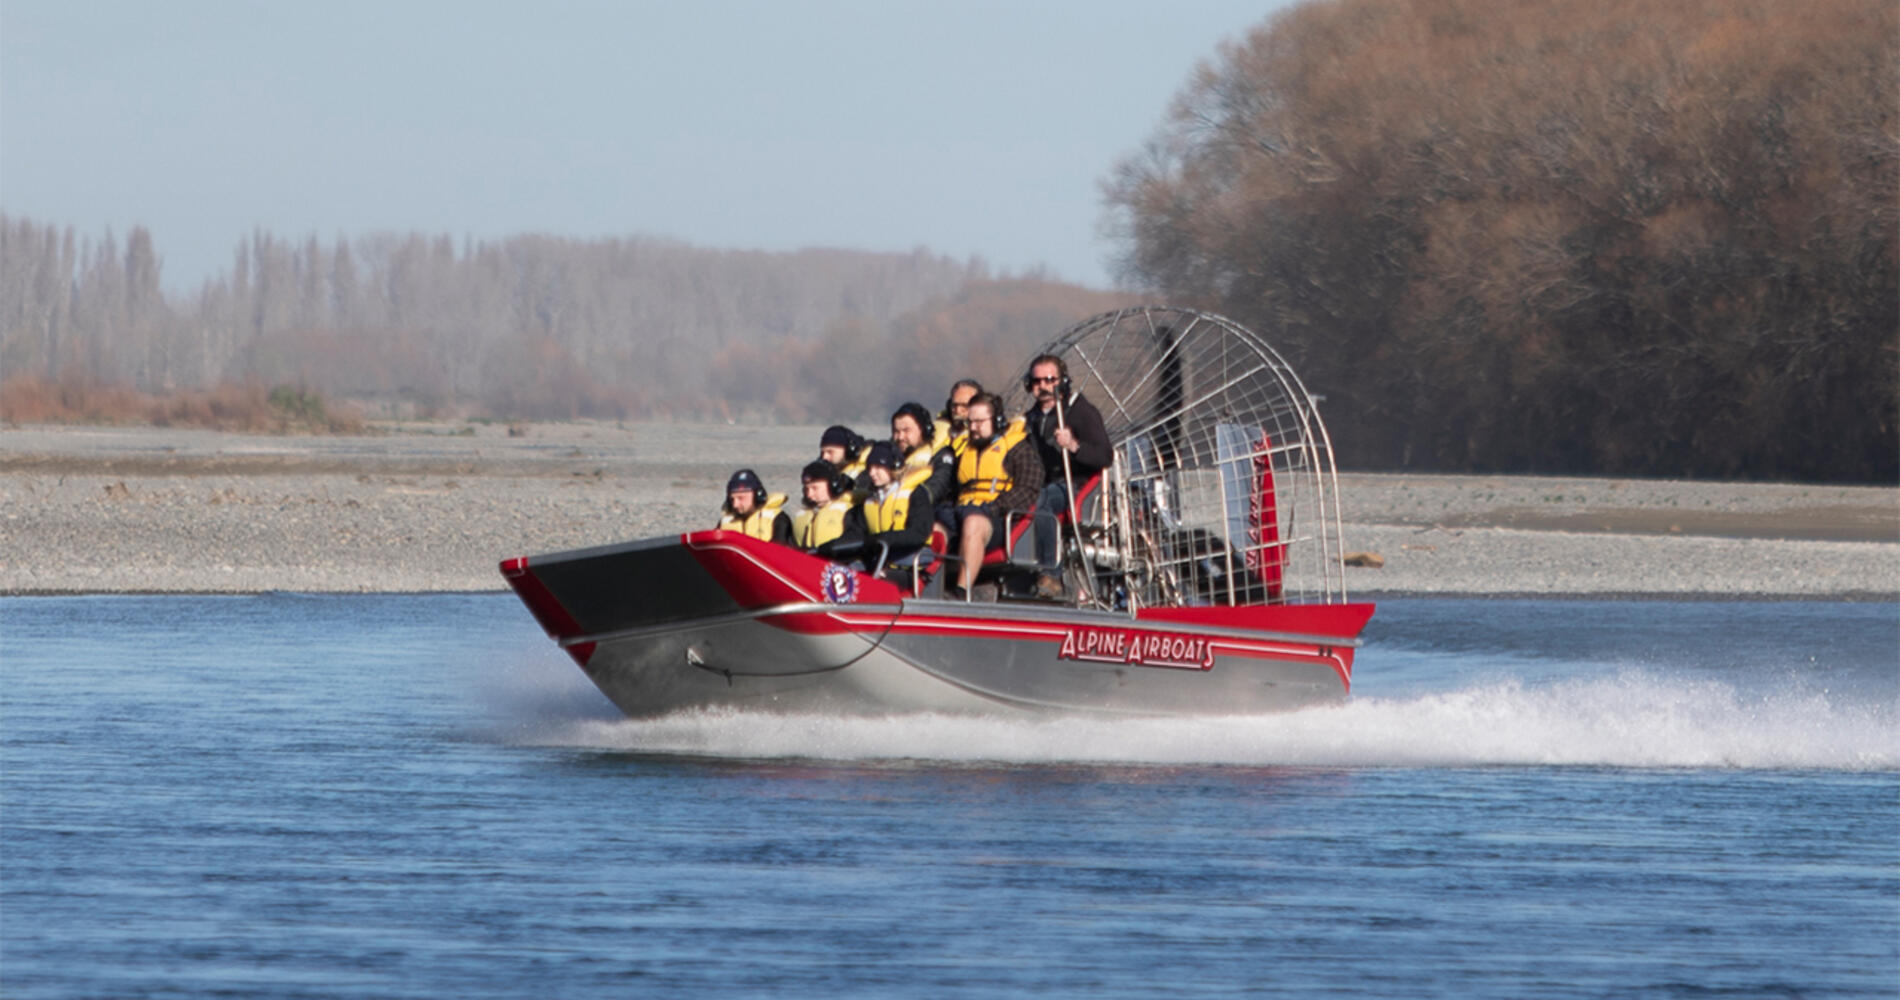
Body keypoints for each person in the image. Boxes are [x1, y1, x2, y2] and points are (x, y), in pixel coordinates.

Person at [1021, 353, 1113, 598]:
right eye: (1037, 381)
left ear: (1062, 381)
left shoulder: (1080, 411)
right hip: (1041, 484)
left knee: (1041, 500)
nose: (1043, 386)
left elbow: (1105, 455)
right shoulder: (1031, 419)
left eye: (1049, 380)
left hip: (1074, 485)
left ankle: (1050, 573)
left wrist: (1073, 446)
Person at [943, 393, 1042, 598]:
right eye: (970, 422)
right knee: (934, 525)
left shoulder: (1017, 449)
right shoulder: (962, 450)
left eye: (979, 422)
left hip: (997, 518)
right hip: (961, 510)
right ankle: (921, 586)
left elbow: (1029, 489)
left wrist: (994, 508)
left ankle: (961, 591)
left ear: (997, 421)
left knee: (973, 522)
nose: (973, 428)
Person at [855, 441, 938, 577]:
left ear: (894, 467)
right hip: (880, 560)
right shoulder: (870, 500)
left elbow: (919, 533)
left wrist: (885, 539)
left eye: (878, 467)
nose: (872, 473)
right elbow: (858, 532)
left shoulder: (915, 494)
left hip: (910, 565)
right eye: (869, 467)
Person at [889, 401, 956, 511]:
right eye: (896, 431)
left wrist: (913, 502)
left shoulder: (941, 455)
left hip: (930, 511)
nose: (900, 437)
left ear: (924, 430)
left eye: (906, 430)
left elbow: (939, 484)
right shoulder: (889, 456)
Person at [790, 460, 855, 555]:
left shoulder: (849, 512)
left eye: (815, 488)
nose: (809, 494)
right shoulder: (803, 515)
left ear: (833, 485)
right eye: (806, 489)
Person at [716, 468, 791, 544]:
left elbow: (781, 549)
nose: (735, 505)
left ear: (758, 496)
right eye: (732, 499)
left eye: (741, 498)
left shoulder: (778, 519)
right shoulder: (725, 522)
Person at [818, 424, 871, 497]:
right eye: (822, 452)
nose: (824, 457)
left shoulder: (871, 471)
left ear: (849, 450)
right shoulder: (831, 470)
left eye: (830, 452)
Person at [937, 379, 983, 457]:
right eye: (954, 405)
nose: (958, 411)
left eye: (965, 405)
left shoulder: (985, 437)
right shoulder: (937, 430)